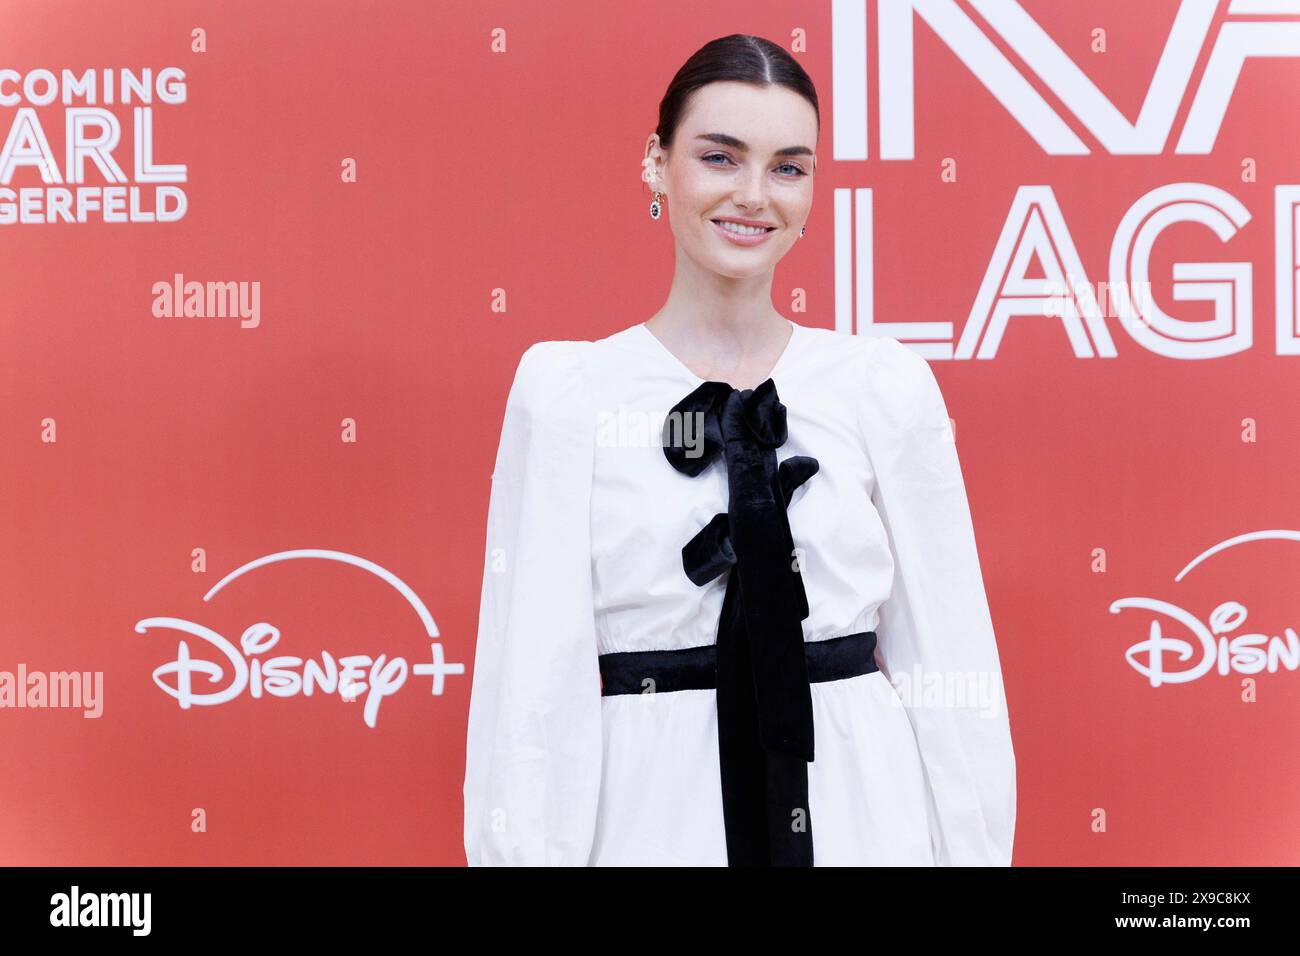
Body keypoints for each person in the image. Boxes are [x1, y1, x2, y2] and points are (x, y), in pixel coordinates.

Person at [462, 33, 1016, 866]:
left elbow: (949, 660)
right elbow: (531, 689)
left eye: (789, 167)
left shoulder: (884, 386)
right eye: (721, 158)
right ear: (657, 164)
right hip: (648, 818)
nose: (755, 195)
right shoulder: (569, 392)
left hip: (863, 813)